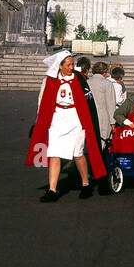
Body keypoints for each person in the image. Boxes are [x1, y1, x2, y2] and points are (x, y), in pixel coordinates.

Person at [27, 51, 106, 202]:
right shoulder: (50, 80)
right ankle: (52, 190)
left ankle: (85, 183)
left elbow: (88, 100)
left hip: (75, 118)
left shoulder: (79, 78)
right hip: (57, 118)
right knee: (54, 154)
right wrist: (41, 119)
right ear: (60, 65)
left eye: (72, 64)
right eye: (68, 65)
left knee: (78, 153)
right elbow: (42, 100)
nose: (72, 67)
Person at [87, 61, 118, 146]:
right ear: (104, 72)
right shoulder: (107, 84)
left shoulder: (86, 82)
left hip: (88, 117)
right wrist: (113, 123)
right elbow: (111, 104)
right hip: (103, 118)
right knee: (102, 142)